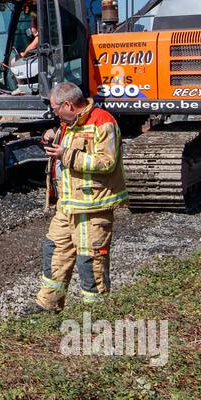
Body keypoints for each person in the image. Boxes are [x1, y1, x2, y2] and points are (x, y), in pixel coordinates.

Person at [34, 81, 128, 312]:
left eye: (56, 109)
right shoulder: (69, 123)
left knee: (90, 261)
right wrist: (51, 137)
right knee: (55, 252)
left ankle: (95, 314)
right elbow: (65, 147)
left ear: (68, 105)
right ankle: (48, 306)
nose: (55, 114)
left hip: (92, 207)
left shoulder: (102, 123)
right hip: (67, 206)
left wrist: (67, 154)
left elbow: (106, 163)